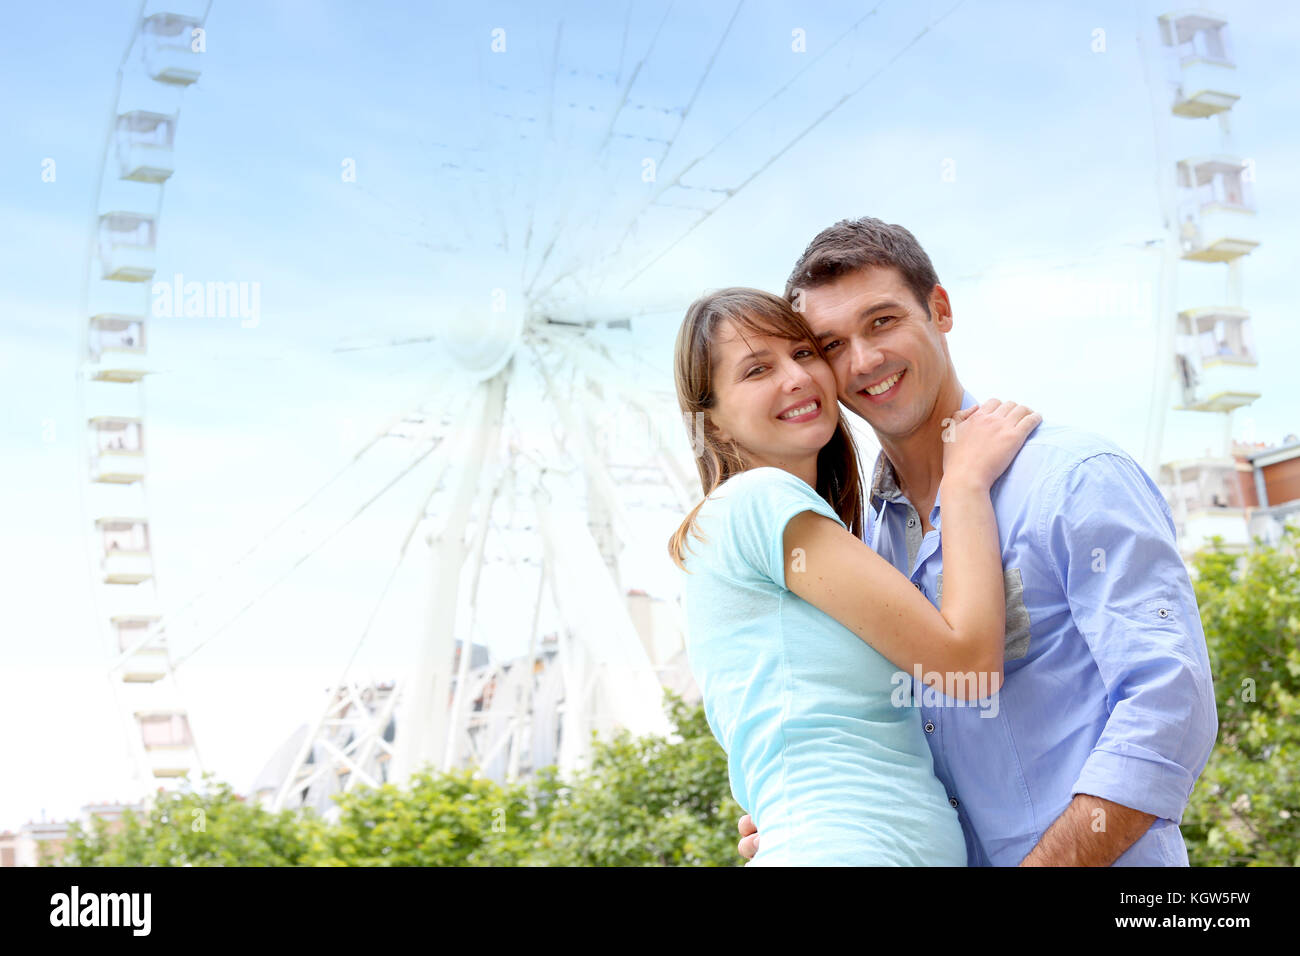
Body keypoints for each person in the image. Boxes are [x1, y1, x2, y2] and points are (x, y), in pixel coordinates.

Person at [735, 217, 1217, 866]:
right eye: (831, 344)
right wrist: (821, 816)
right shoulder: (862, 547)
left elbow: (1170, 701)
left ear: (939, 309)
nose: (864, 361)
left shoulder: (1073, 480)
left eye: (882, 321)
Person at [668, 287, 1041, 865]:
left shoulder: (808, 533)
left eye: (804, 353)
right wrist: (963, 482)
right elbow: (967, 667)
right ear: (712, 422)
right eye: (758, 369)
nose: (796, 377)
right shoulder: (761, 501)